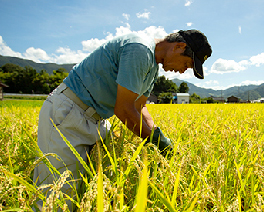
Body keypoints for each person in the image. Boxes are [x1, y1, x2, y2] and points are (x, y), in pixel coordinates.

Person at [32, 29, 212, 211]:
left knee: (94, 186)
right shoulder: (140, 49)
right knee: (57, 198)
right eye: (187, 64)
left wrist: (158, 135)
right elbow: (124, 109)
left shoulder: (152, 67)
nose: (182, 71)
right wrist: (154, 141)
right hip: (69, 114)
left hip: (97, 120)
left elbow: (140, 106)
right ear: (179, 46)